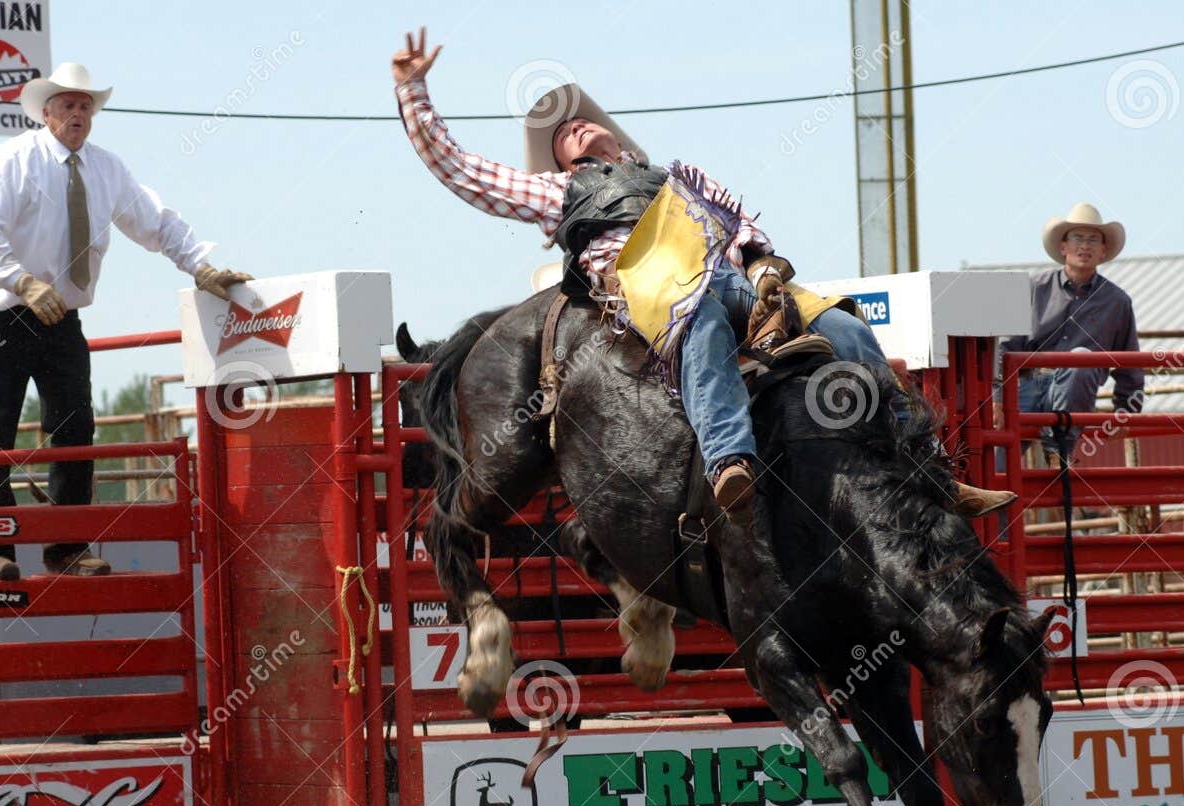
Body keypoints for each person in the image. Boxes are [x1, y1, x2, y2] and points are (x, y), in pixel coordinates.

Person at [389, 27, 1013, 520]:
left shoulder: (680, 178)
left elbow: (742, 225)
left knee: (843, 327)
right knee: (703, 324)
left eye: (581, 119)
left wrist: (764, 265)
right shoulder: (557, 193)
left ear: (610, 133)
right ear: (558, 160)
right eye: (562, 134)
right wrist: (415, 93)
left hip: (734, 273)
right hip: (656, 286)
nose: (574, 125)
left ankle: (925, 470)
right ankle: (728, 459)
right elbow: (464, 172)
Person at [0, 62, 251, 581]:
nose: (77, 113)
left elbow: (155, 221)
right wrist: (22, 281)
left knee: (75, 425)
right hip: (1, 312)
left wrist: (200, 265)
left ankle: (67, 547)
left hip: (60, 314)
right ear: (46, 113)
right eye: (68, 105)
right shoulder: (14, 159)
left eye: (84, 106)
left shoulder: (105, 169)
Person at [1002, 203, 1143, 463]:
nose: (1085, 246)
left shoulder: (1117, 301)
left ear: (1103, 251)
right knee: (995, 461)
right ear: (1063, 247)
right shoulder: (1034, 288)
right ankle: (994, 488)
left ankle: (1058, 449)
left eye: (1093, 239)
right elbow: (1006, 348)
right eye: (1078, 237)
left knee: (1081, 358)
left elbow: (1129, 364)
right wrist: (997, 399)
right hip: (1029, 384)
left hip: (1076, 390)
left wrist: (1126, 411)